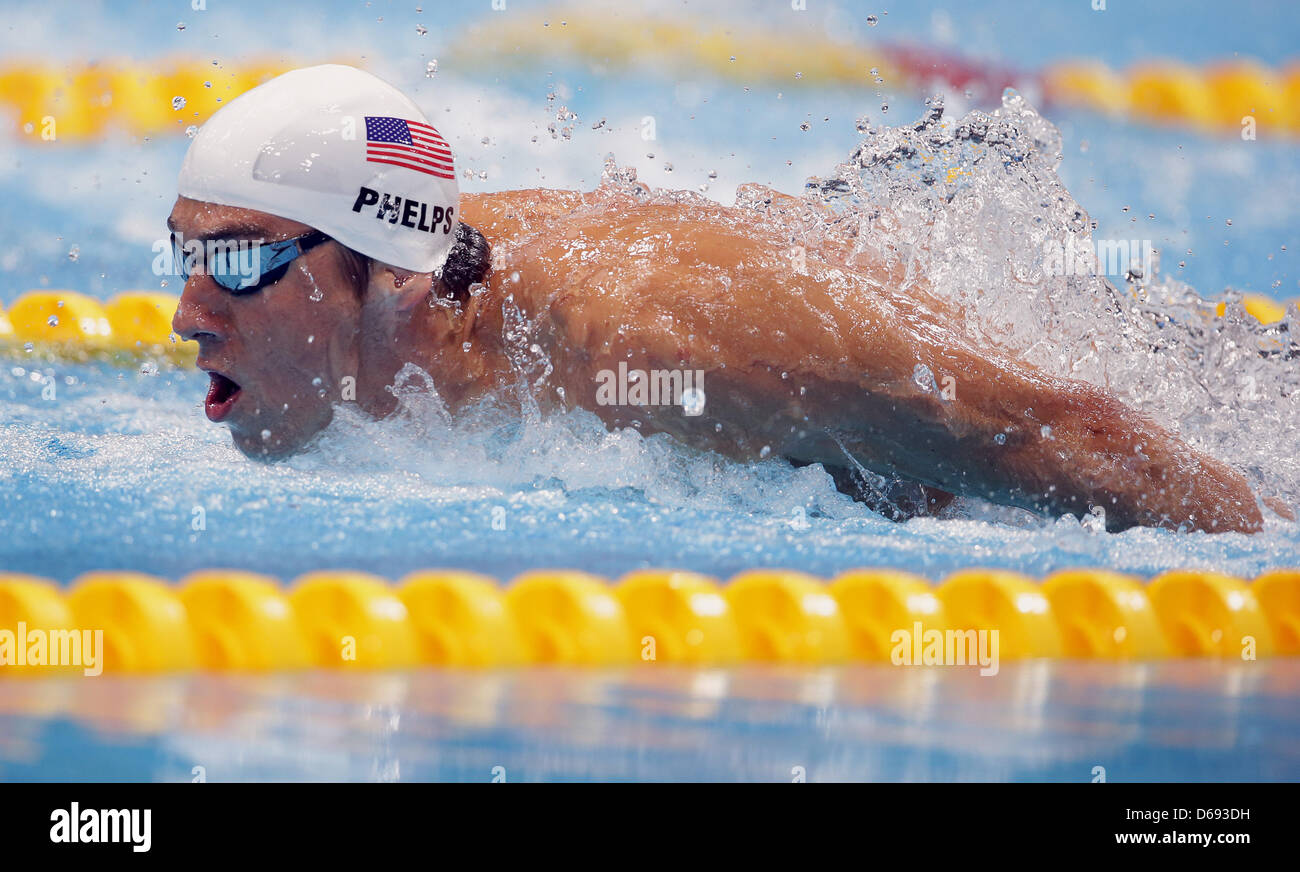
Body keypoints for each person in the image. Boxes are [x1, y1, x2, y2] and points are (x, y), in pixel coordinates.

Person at [169, 64, 1264, 533]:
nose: (185, 313)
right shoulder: (400, 293)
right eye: (180, 256)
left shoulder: (650, 340)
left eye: (234, 261)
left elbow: (1084, 436)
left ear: (387, 270)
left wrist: (1258, 560)